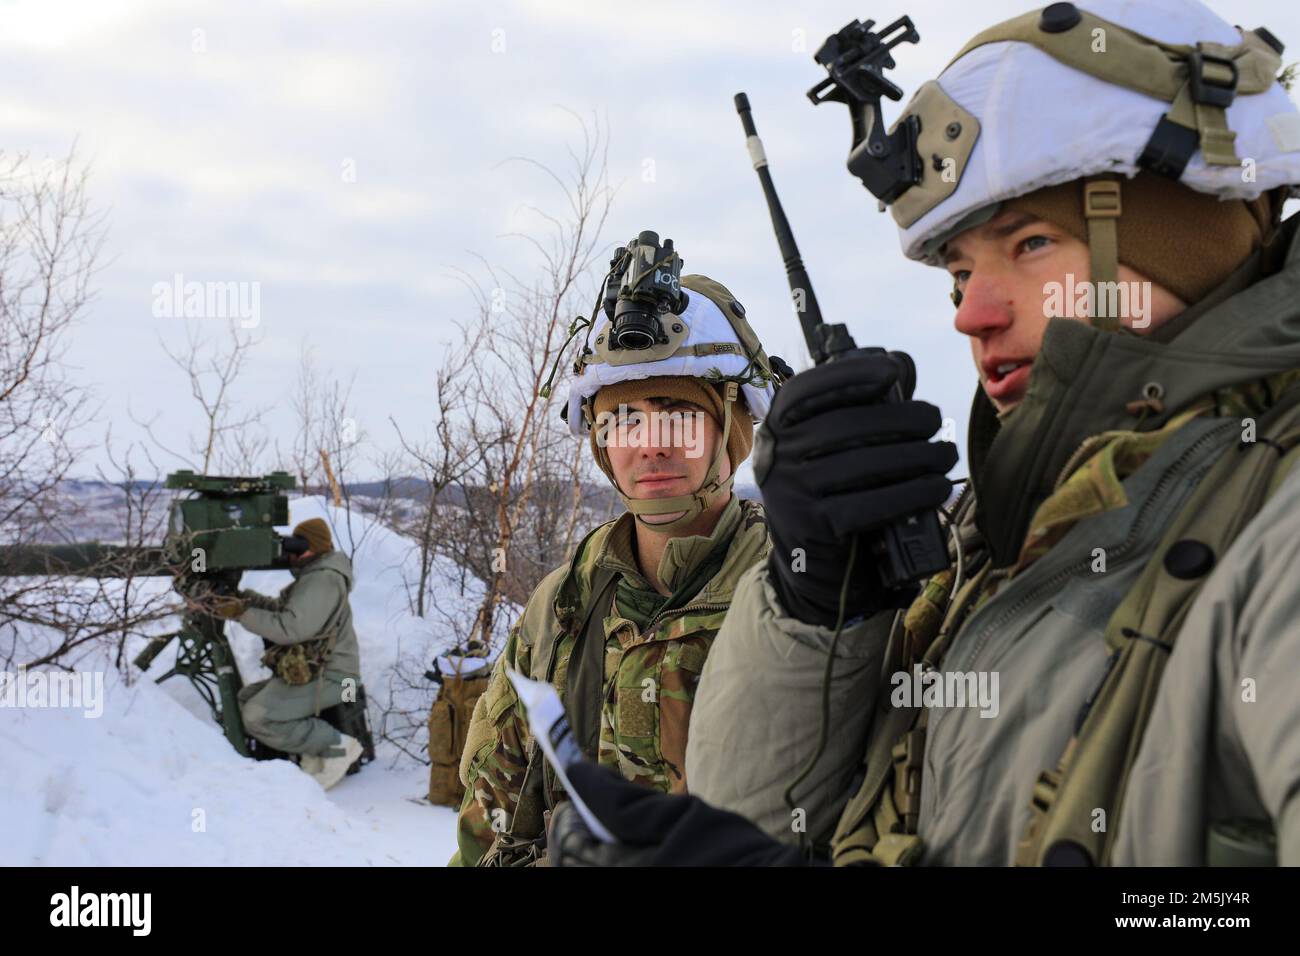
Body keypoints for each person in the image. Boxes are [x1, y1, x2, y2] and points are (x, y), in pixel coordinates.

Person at [551, 0, 1300, 866]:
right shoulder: (995, 534)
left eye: (1028, 244)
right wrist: (816, 601)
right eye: (960, 270)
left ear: (1189, 234)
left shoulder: (1272, 527)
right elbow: (762, 818)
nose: (971, 314)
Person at [449, 267, 780, 866]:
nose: (651, 443)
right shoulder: (561, 606)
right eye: (624, 419)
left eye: (679, 414)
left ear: (731, 428)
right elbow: (489, 831)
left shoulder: (800, 595)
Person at [218, 517, 365, 791]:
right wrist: (246, 600)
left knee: (257, 715)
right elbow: (286, 611)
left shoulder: (324, 580)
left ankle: (339, 747)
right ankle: (312, 753)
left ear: (317, 548)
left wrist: (241, 613)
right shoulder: (316, 575)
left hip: (334, 676)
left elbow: (291, 628)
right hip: (320, 671)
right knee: (247, 697)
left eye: (300, 548)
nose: (293, 556)